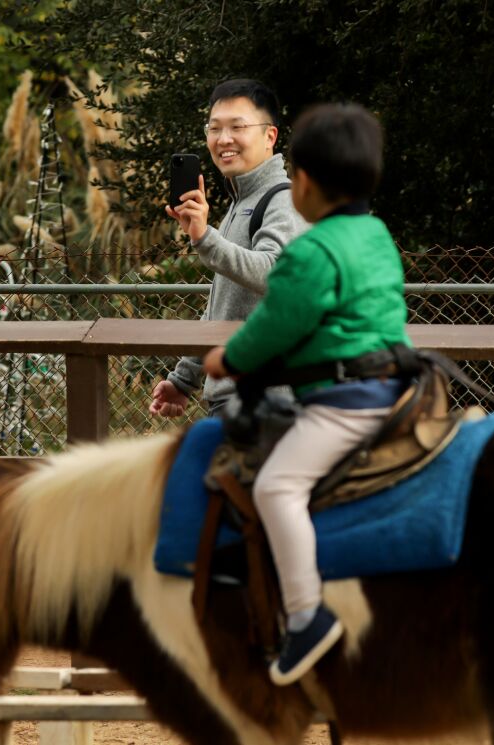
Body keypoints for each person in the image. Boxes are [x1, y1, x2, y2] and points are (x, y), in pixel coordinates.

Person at [203, 103, 409, 685]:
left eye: (294, 175)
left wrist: (227, 360)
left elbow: (276, 324)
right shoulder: (374, 234)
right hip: (396, 385)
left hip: (344, 401)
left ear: (306, 184)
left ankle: (305, 617)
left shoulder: (313, 252)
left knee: (277, 486)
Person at [150, 78, 308, 417]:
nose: (223, 139)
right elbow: (223, 310)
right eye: (214, 128)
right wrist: (183, 380)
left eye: (238, 127)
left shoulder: (284, 201)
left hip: (266, 401)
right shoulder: (243, 202)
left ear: (270, 136)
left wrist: (205, 238)